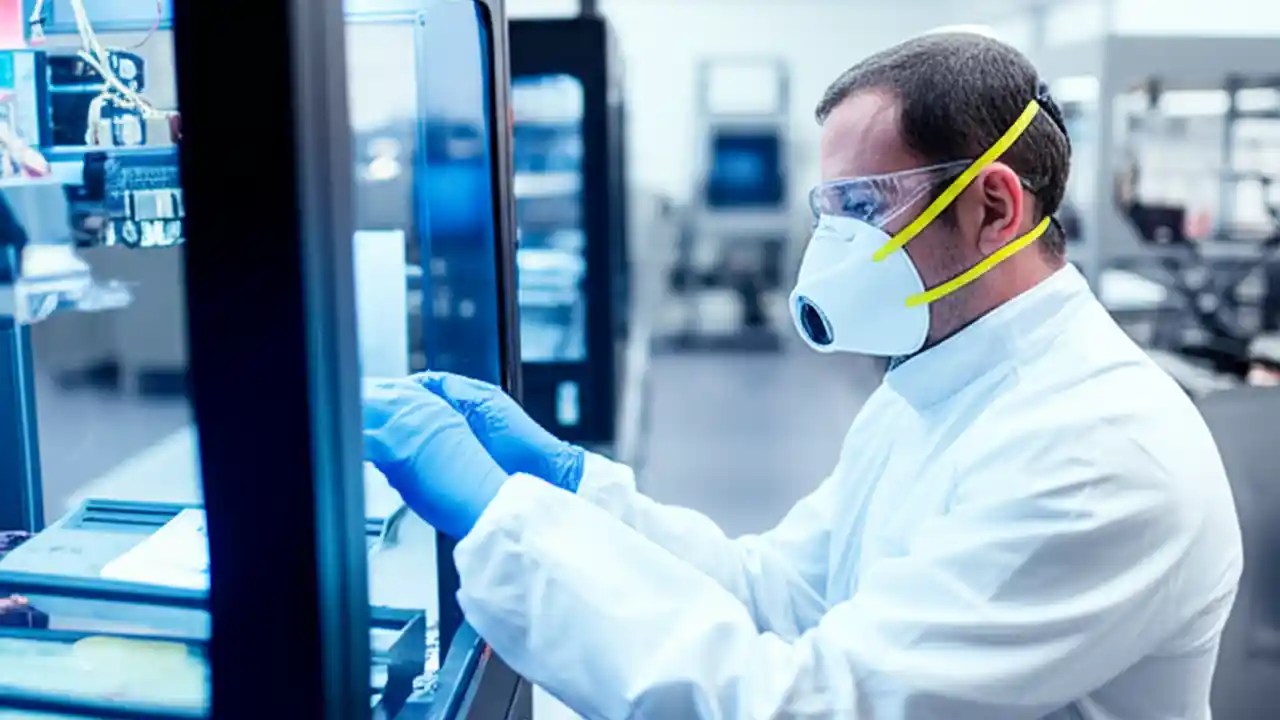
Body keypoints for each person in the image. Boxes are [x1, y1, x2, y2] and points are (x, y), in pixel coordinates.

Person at [364, 33, 1243, 719]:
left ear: (993, 206)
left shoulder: (1099, 455)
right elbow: (779, 594)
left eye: (866, 205)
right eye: (831, 209)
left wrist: (500, 525)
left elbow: (797, 704)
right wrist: (569, 485)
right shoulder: (936, 380)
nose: (837, 245)